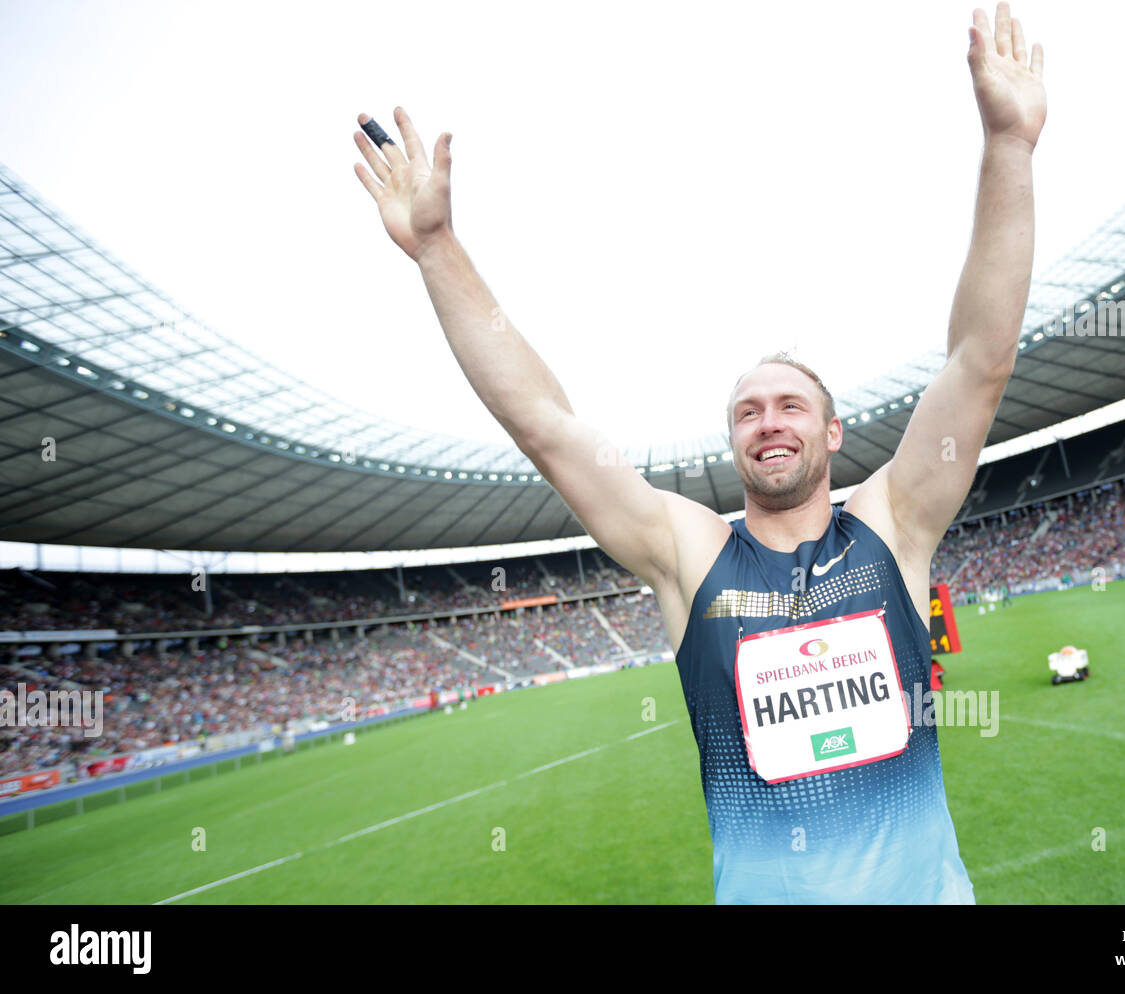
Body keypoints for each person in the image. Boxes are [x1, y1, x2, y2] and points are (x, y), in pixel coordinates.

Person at [352, 3, 1045, 903]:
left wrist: (1010, 147)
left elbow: (980, 361)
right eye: (748, 411)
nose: (769, 422)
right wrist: (438, 248)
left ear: (831, 433)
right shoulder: (691, 557)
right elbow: (547, 427)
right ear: (734, 442)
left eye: (792, 404)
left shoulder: (893, 523)